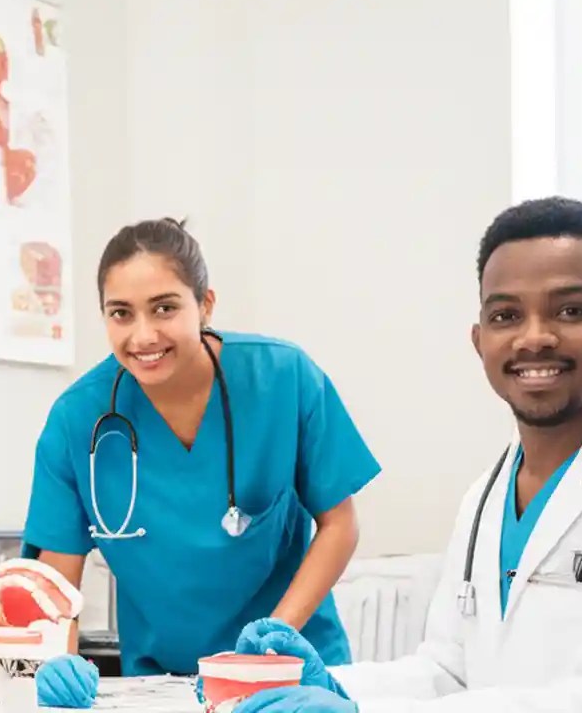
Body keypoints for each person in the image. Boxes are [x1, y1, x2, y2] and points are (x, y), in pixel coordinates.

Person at [232, 196, 582, 712]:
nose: (535, 337)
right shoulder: (486, 498)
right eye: (506, 315)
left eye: (571, 310)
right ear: (480, 340)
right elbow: (449, 671)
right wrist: (334, 689)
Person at [23, 217, 383, 707]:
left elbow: (339, 524)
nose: (143, 335)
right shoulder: (76, 420)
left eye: (164, 308)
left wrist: (272, 644)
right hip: (162, 686)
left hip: (292, 674)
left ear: (205, 304)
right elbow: (56, 580)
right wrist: (56, 665)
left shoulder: (282, 377)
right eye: (121, 314)